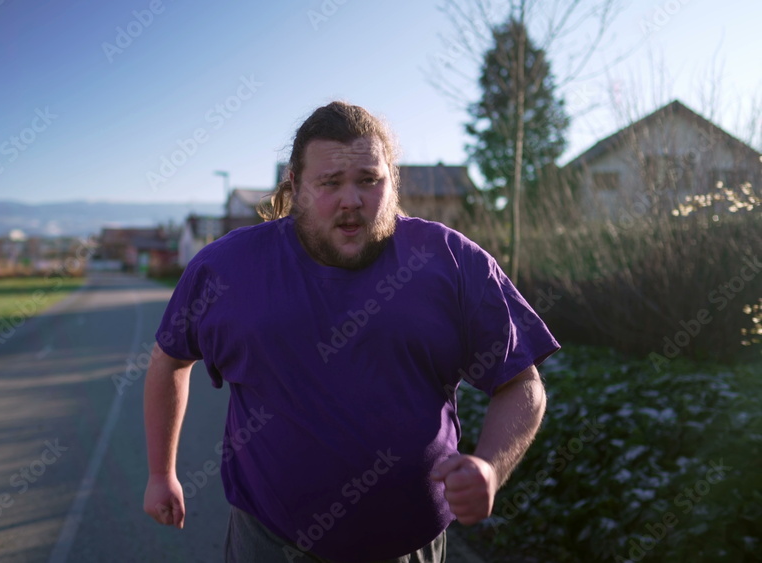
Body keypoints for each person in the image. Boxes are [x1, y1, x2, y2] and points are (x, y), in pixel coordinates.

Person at [143, 101, 559, 562]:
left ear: (392, 181)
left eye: (368, 180)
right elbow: (169, 359)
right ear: (295, 187)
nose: (352, 200)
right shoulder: (226, 268)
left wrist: (491, 467)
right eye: (330, 182)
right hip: (271, 542)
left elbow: (523, 384)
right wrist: (161, 474)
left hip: (411, 547)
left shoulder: (451, 260)